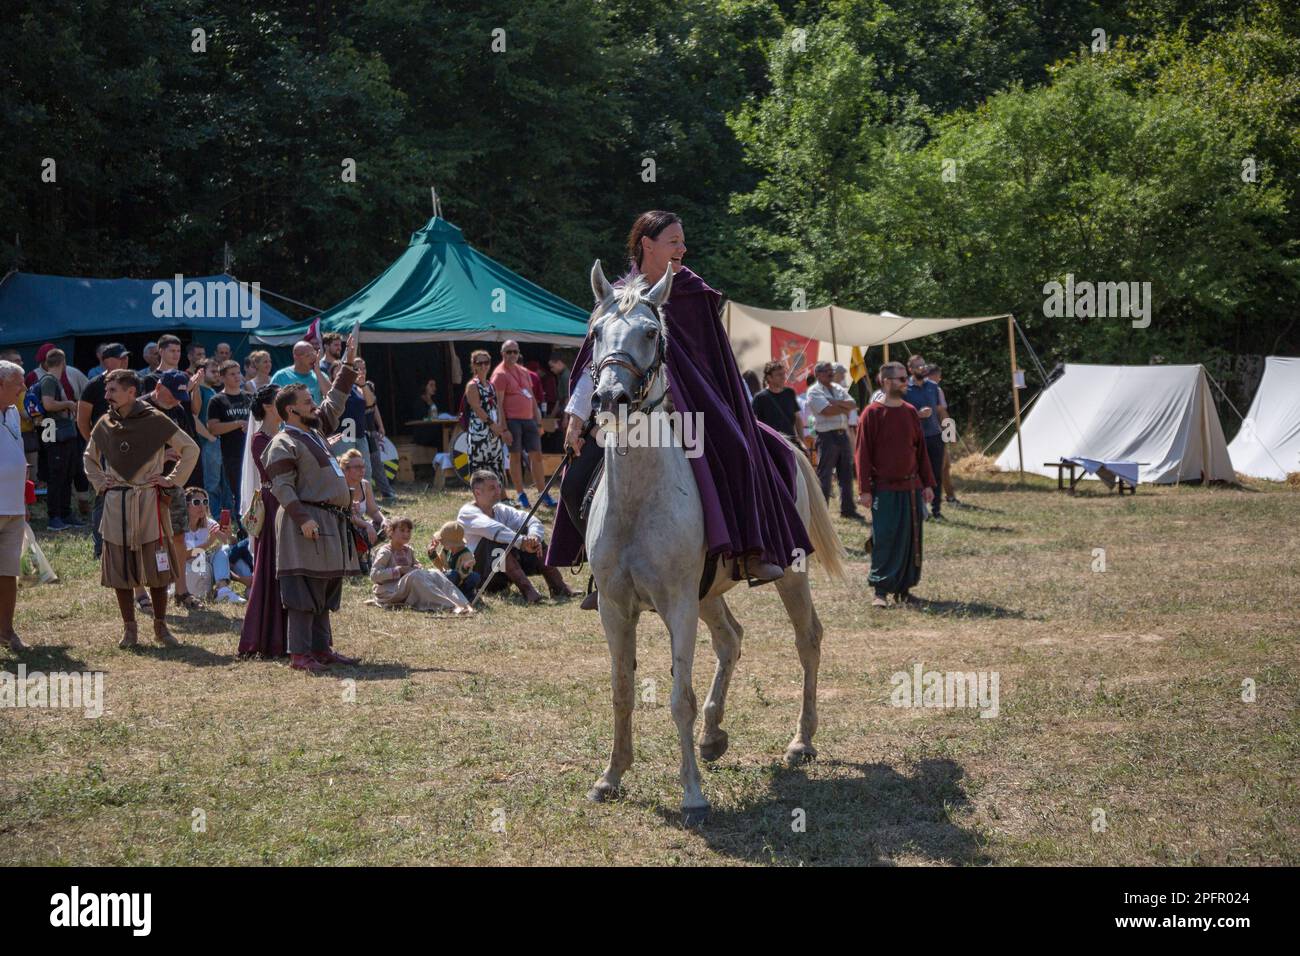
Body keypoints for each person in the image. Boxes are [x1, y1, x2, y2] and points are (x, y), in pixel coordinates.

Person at [551, 210, 810, 604]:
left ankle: (747, 553)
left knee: (739, 452)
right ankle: (604, 571)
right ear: (647, 245)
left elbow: (715, 360)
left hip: (693, 413)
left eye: (682, 241)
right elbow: (597, 361)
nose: (682, 248)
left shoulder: (692, 292)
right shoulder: (618, 296)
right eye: (674, 241)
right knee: (573, 485)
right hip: (626, 416)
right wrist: (575, 415)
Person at [263, 335, 364, 673]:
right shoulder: (283, 441)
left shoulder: (314, 432)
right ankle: (299, 655)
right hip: (303, 522)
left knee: (324, 586)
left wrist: (348, 364)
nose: (314, 404)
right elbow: (281, 486)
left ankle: (322, 649)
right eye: (308, 401)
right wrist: (303, 518)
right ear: (291, 410)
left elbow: (335, 401)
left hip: (330, 519)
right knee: (302, 587)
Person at [83, 369, 199, 647]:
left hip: (149, 502)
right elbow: (89, 457)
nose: (107, 396)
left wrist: (171, 481)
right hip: (117, 503)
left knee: (158, 568)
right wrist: (102, 482)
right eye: (107, 391)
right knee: (121, 569)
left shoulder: (155, 419)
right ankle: (130, 629)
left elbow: (190, 449)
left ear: (131, 392)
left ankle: (161, 627)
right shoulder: (105, 422)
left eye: (113, 391)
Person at [855, 362, 935, 607]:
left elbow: (920, 450)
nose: (905, 383)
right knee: (886, 538)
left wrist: (928, 484)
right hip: (885, 489)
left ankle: (904, 589)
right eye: (901, 379)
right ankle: (880, 591)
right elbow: (863, 454)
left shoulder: (910, 411)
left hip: (911, 489)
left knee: (910, 539)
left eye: (905, 379)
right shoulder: (872, 413)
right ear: (886, 382)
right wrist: (865, 490)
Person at [458, 469, 576, 604]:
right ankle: (528, 591)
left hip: (502, 572)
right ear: (478, 492)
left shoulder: (501, 509)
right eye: (492, 488)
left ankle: (558, 587)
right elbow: (494, 529)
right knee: (498, 541)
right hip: (482, 576)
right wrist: (521, 541)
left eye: (499, 486)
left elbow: (530, 519)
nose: (498, 491)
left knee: (530, 532)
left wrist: (533, 536)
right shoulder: (467, 513)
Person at [141, 370, 206, 609]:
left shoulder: (179, 409)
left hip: (172, 482)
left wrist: (175, 474)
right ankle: (141, 593)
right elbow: (124, 449)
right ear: (158, 387)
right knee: (142, 538)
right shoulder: (139, 409)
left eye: (181, 396)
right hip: (142, 482)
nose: (177, 401)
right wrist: (159, 454)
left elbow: (189, 444)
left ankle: (181, 591)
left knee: (178, 535)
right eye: (172, 396)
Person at [237, 384, 288, 658]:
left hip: (286, 501)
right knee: (270, 568)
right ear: (269, 407)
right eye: (281, 400)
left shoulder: (282, 435)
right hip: (274, 503)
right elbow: (275, 471)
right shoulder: (260, 440)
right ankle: (267, 636)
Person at [77, 344, 132, 557]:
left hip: (130, 451)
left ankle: (126, 546)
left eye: (126, 357)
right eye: (120, 358)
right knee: (104, 496)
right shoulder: (93, 386)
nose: (125, 361)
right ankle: (101, 549)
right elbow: (82, 421)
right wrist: (96, 447)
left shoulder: (133, 383)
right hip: (104, 452)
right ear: (106, 360)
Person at [491, 340, 554, 509]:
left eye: (515, 352)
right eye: (509, 352)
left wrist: (539, 421)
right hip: (512, 421)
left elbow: (532, 397)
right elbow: (499, 404)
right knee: (515, 457)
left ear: (519, 353)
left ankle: (543, 493)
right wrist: (504, 429)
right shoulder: (500, 375)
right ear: (502, 354)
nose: (512, 355)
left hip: (529, 420)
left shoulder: (524, 372)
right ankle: (521, 493)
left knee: (537, 456)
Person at [369, 516, 473, 613]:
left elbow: (416, 565)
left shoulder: (408, 550)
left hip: (407, 587)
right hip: (390, 591)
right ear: (391, 532)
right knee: (416, 576)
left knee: (435, 573)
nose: (406, 534)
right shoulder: (386, 552)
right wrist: (399, 570)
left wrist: (417, 567)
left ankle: (464, 604)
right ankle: (450, 606)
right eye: (402, 530)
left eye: (408, 531)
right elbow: (374, 575)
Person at [806, 360, 862, 519]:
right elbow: (827, 411)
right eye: (826, 371)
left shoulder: (837, 388)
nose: (830, 373)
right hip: (826, 436)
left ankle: (848, 509)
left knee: (846, 474)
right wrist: (841, 407)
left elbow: (852, 404)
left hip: (842, 434)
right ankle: (822, 511)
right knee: (825, 474)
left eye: (831, 370)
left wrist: (835, 403)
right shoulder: (814, 391)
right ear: (817, 374)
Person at [37, 348, 84, 531]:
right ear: (63, 363)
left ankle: (66, 513)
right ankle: (54, 517)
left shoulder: (54, 380)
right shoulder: (49, 380)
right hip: (55, 435)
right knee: (56, 476)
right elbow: (48, 404)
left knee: (67, 474)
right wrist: (69, 404)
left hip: (64, 435)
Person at [0, 361, 30, 651]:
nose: (23, 387)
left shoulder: (12, 413)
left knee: (8, 572)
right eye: (17, 382)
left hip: (14, 507)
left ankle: (6, 630)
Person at [206, 360, 252, 530]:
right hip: (231, 455)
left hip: (251, 453)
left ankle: (252, 531)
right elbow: (213, 428)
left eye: (238, 373)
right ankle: (241, 530)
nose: (237, 377)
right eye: (232, 374)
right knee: (238, 495)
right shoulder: (217, 400)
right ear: (223, 377)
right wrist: (238, 423)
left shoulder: (249, 397)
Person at [178, 487, 245, 604]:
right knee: (208, 555)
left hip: (202, 563)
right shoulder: (180, 527)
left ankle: (222, 589)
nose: (202, 506)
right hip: (187, 567)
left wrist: (229, 535)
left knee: (221, 551)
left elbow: (230, 543)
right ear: (186, 505)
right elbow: (181, 556)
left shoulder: (208, 523)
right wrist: (207, 544)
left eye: (205, 502)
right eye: (197, 502)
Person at [904, 354, 947, 520]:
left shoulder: (933, 387)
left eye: (923, 365)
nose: (922, 368)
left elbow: (940, 410)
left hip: (934, 435)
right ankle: (920, 509)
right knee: (916, 473)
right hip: (914, 438)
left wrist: (947, 433)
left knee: (936, 473)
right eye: (918, 366)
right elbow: (900, 413)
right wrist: (917, 414)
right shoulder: (904, 388)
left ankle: (936, 510)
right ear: (910, 369)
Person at [463, 350, 509, 484]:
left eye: (486, 362)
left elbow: (497, 406)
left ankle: (497, 501)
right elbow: (477, 408)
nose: (483, 366)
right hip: (479, 435)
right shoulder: (472, 385)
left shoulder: (491, 385)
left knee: (496, 469)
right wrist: (492, 425)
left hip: (493, 435)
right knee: (479, 472)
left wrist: (501, 427)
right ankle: (479, 502)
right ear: (474, 365)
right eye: (479, 363)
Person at [356, 357, 395, 500]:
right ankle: (364, 495)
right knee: (360, 465)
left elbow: (373, 405)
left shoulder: (369, 386)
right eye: (358, 368)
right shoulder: (349, 388)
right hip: (357, 432)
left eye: (364, 368)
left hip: (370, 430)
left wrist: (381, 425)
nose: (362, 371)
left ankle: (386, 492)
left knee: (376, 462)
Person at [926, 364, 960, 505]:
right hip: (933, 434)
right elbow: (943, 413)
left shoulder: (934, 389)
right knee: (941, 467)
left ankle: (949, 496)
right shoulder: (936, 389)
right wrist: (950, 435)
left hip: (936, 433)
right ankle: (936, 498)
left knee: (944, 467)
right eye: (938, 376)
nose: (940, 378)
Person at [750, 360, 805, 445]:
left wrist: (802, 442)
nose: (783, 377)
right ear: (769, 378)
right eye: (779, 375)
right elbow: (754, 423)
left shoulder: (789, 393)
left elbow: (797, 419)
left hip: (791, 445)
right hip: (771, 445)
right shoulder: (760, 398)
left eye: (784, 374)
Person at [339, 447, 384, 544]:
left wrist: (385, 521)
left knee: (387, 527)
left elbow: (373, 511)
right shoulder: (340, 486)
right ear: (345, 470)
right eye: (357, 467)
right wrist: (367, 525)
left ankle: (362, 554)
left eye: (363, 466)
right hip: (343, 527)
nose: (362, 470)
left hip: (360, 525)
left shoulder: (365, 485)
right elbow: (348, 516)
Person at [428, 520, 481, 602]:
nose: (440, 542)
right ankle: (446, 591)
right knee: (451, 574)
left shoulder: (466, 555)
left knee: (474, 576)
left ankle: (466, 594)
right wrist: (433, 553)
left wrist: (465, 567)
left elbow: (463, 576)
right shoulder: (446, 550)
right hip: (449, 580)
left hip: (461, 582)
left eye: (442, 541)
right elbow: (441, 565)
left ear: (451, 543)